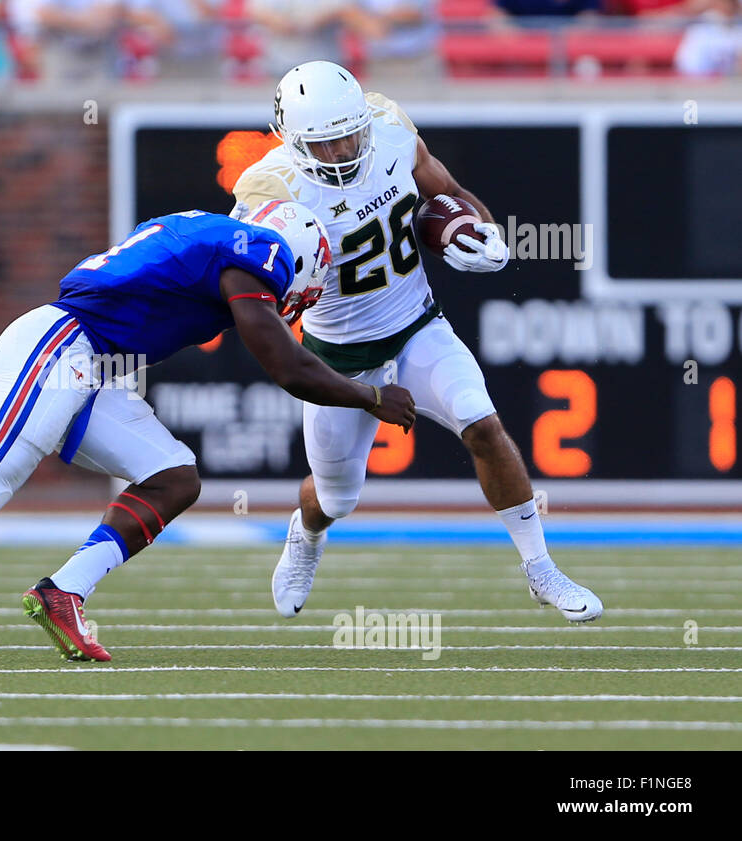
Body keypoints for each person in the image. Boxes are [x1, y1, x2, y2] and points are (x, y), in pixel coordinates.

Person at [0, 201, 417, 664]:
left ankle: (64, 591)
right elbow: (286, 364)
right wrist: (371, 396)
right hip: (60, 347)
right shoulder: (261, 251)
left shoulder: (208, 229)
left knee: (173, 476)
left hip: (90, 362)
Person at [232, 61, 603, 624]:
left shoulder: (389, 126)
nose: (343, 150)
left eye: (350, 134)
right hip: (338, 358)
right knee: (335, 499)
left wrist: (482, 234)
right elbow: (246, 284)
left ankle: (540, 568)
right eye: (326, 143)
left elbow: (448, 194)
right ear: (292, 140)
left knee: (482, 423)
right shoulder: (268, 186)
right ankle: (305, 535)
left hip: (416, 327)